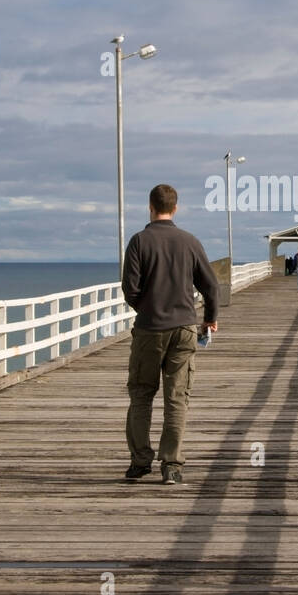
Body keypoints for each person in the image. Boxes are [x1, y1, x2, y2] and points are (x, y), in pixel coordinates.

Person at [121, 184, 219, 485]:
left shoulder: (139, 242)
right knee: (177, 398)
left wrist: (148, 308)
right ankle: (172, 466)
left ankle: (140, 462)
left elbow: (130, 289)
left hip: (149, 329)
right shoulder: (189, 241)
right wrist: (209, 319)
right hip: (184, 329)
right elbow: (211, 286)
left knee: (141, 395)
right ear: (175, 208)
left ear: (150, 207)